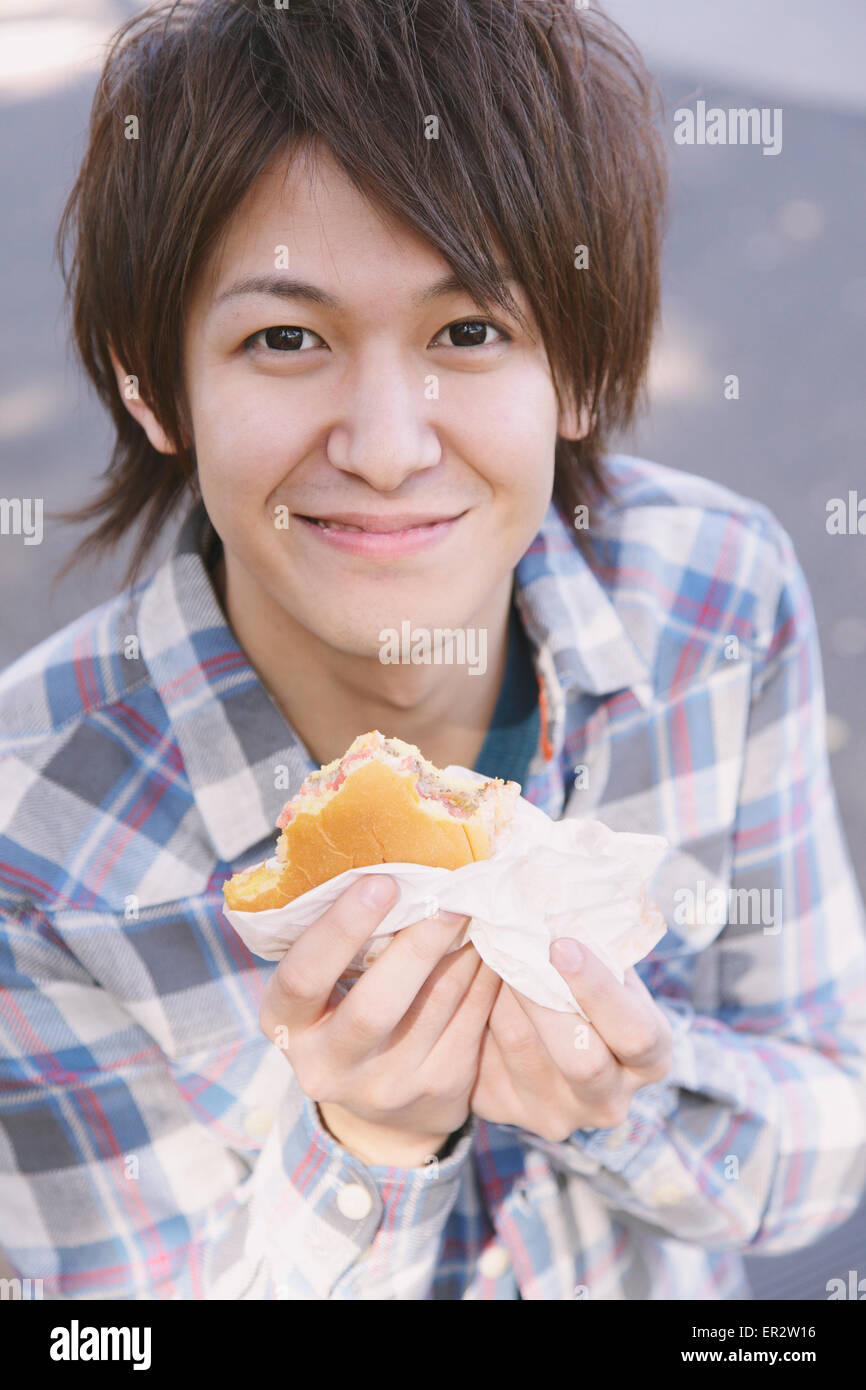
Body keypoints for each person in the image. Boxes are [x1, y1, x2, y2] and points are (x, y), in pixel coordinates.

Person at [1, 0, 864, 1301]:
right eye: (284, 339)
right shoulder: (38, 837)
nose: (389, 446)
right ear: (151, 385)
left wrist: (624, 1098)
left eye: (469, 332)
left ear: (578, 369)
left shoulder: (708, 597)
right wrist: (367, 1152)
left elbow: (823, 1139)